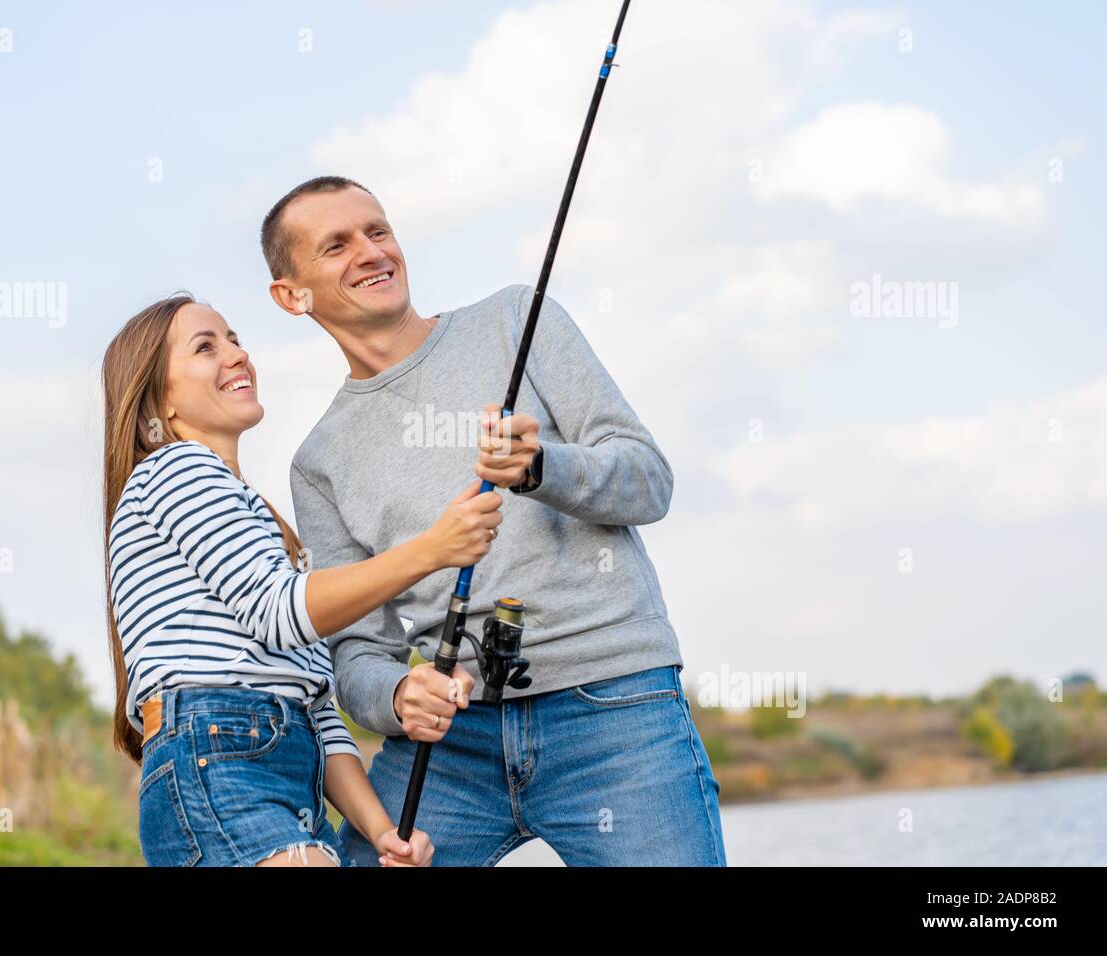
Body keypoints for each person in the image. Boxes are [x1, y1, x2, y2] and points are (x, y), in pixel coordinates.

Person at [267, 176, 727, 866]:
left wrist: (543, 468)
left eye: (378, 231)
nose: (370, 252)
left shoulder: (518, 318)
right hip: (452, 746)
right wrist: (397, 694)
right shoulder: (318, 461)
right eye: (336, 246)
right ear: (291, 295)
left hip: (614, 710)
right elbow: (355, 652)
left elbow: (648, 480)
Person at [100, 293, 504, 866]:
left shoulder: (261, 522)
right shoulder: (175, 469)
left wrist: (381, 830)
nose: (237, 355)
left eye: (234, 338)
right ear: (156, 402)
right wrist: (432, 550)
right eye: (205, 347)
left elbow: (318, 711)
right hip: (217, 757)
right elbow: (277, 610)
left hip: (283, 774)